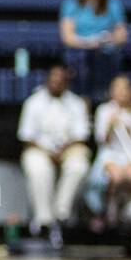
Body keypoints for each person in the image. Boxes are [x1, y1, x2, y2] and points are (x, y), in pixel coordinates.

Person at [18, 62, 90, 248]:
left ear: (66, 82)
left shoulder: (76, 103)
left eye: (61, 80)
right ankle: (44, 221)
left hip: (69, 149)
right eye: (53, 79)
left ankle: (61, 214)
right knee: (37, 167)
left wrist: (62, 151)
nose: (56, 83)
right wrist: (48, 151)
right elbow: (26, 136)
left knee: (79, 166)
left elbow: (81, 135)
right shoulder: (33, 102)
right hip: (40, 149)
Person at [83, 74, 131, 232]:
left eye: (124, 88)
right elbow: (101, 140)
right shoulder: (104, 110)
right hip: (108, 154)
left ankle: (128, 217)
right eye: (116, 88)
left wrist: (127, 127)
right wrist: (111, 125)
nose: (120, 92)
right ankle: (110, 215)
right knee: (116, 177)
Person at [59, 0, 126, 104]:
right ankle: (83, 101)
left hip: (105, 53)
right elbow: (67, 36)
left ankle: (104, 100)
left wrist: (109, 39)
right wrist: (87, 43)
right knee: (83, 61)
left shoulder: (113, 4)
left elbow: (122, 34)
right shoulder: (70, 4)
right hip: (79, 54)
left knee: (104, 58)